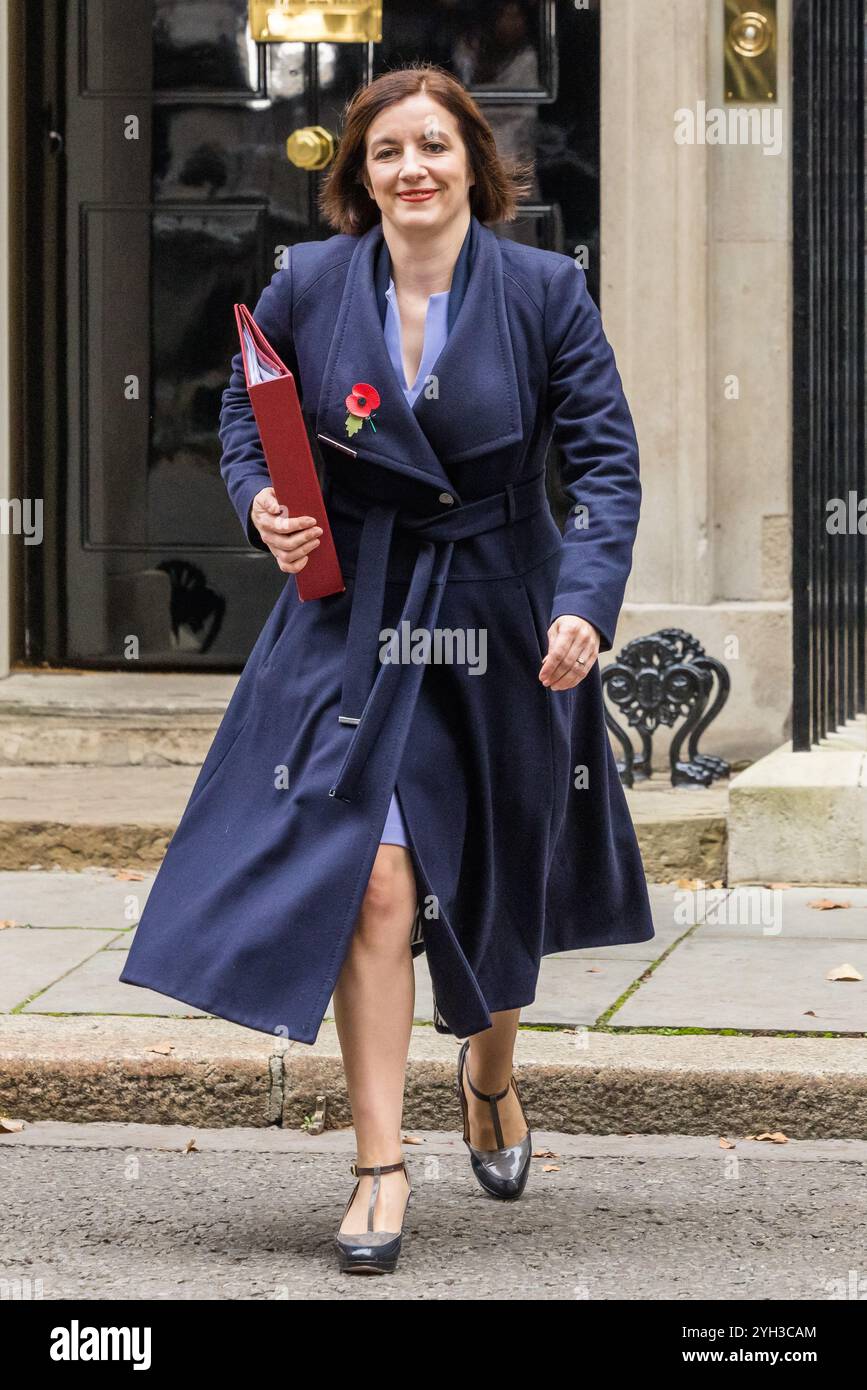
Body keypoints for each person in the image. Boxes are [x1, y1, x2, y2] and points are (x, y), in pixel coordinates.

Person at [119, 63, 654, 1277]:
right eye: (387, 154)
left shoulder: (543, 293)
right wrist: (261, 503)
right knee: (374, 877)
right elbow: (247, 418)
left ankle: (491, 1071)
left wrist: (585, 605)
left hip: (500, 618)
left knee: (498, 879)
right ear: (360, 179)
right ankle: (377, 1161)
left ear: (475, 159)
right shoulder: (308, 285)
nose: (413, 169)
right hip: (354, 616)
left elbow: (606, 466)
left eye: (434, 146)